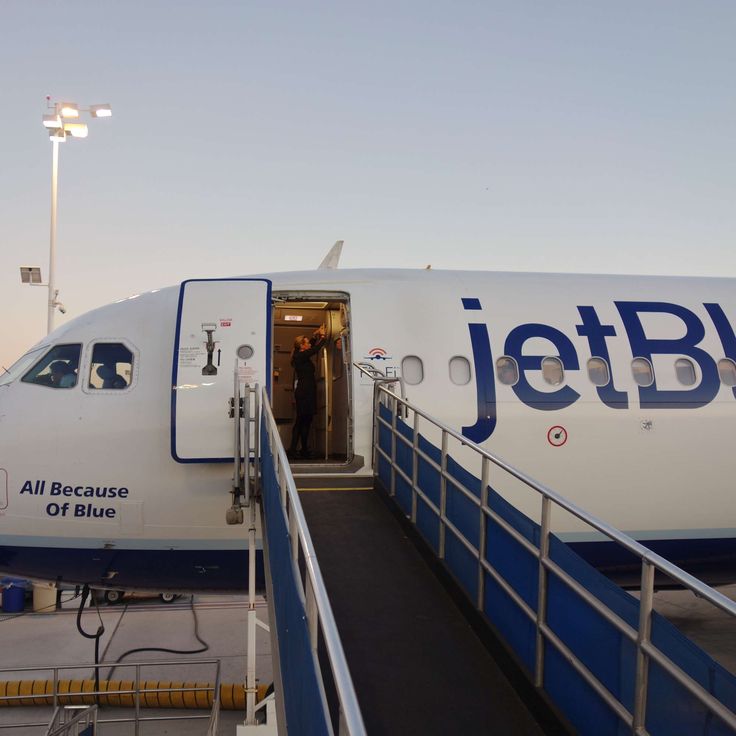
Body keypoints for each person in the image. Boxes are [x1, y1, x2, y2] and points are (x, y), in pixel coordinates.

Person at [288, 324, 327, 459]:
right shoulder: (301, 356)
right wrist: (322, 336)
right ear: (302, 346)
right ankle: (295, 449)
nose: (309, 344)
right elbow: (315, 348)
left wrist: (314, 335)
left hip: (306, 391)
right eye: (306, 343)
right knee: (302, 421)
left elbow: (311, 345)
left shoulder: (300, 354)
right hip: (305, 392)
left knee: (305, 421)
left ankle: (301, 449)